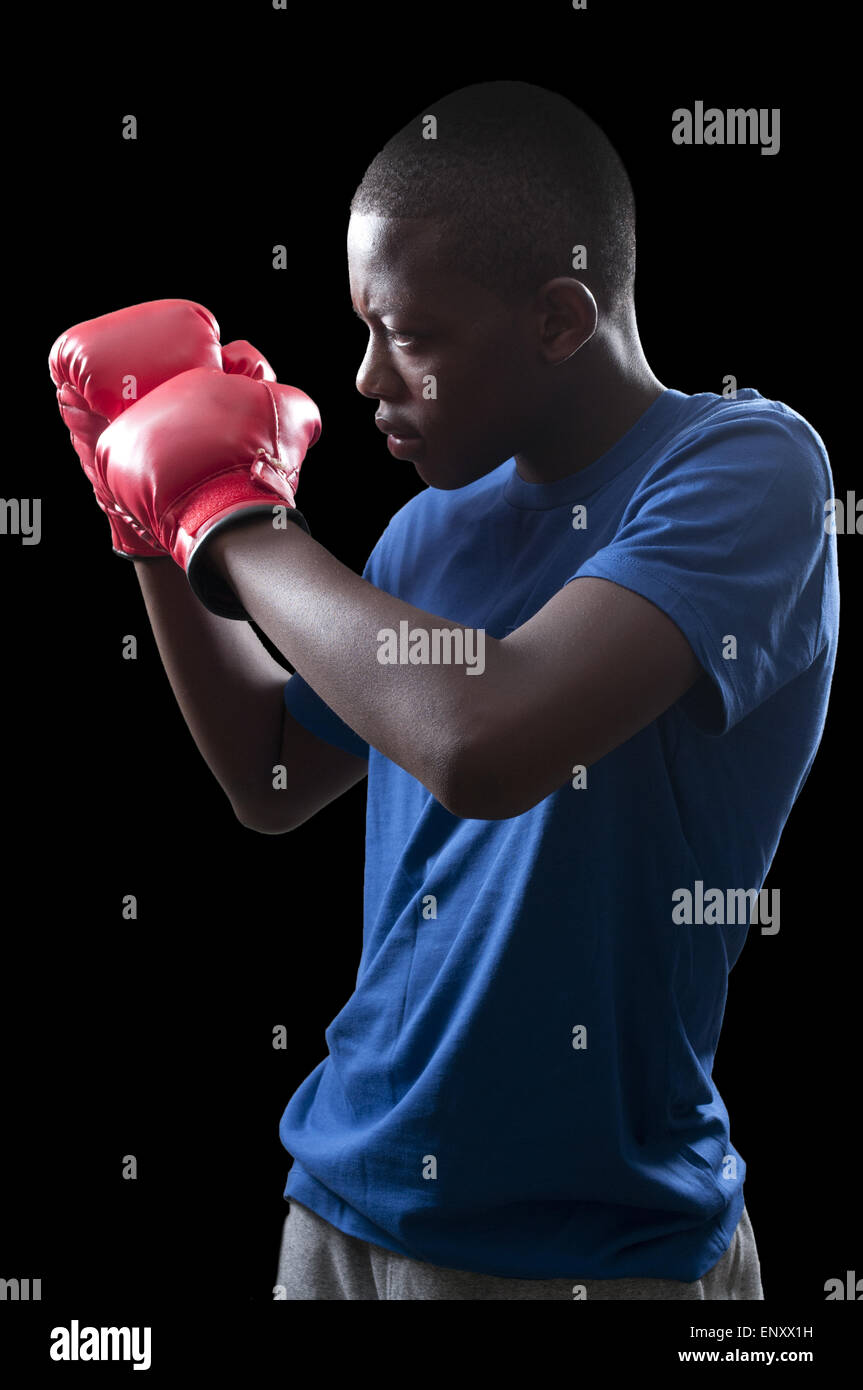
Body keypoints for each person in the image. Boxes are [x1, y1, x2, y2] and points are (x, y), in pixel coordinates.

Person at [50, 81, 838, 1300]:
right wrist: (144, 518)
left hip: (591, 1238)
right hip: (339, 1195)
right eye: (361, 328)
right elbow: (270, 774)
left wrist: (232, 519)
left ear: (560, 319)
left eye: (408, 335)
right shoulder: (427, 530)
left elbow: (485, 740)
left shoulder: (743, 468)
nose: (366, 377)